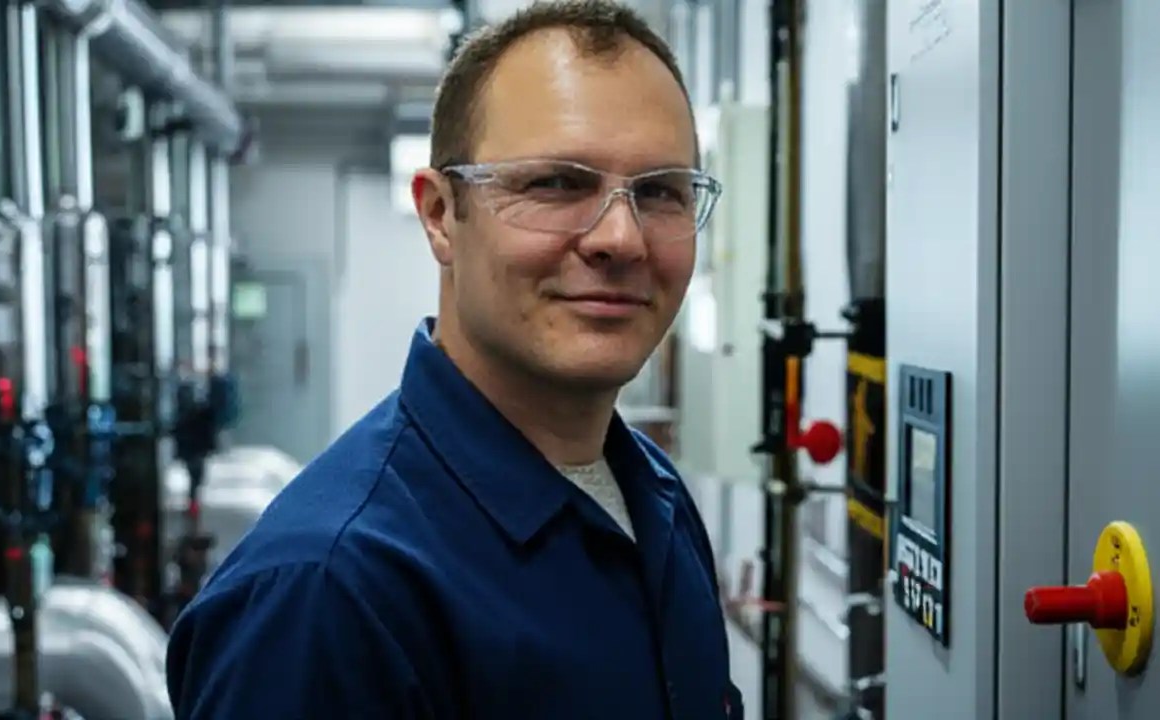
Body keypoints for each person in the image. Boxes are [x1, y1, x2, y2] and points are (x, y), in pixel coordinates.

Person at [165, 1, 741, 717]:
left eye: (660, 191)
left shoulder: (654, 498)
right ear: (440, 215)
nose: (621, 239)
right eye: (557, 183)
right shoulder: (329, 593)